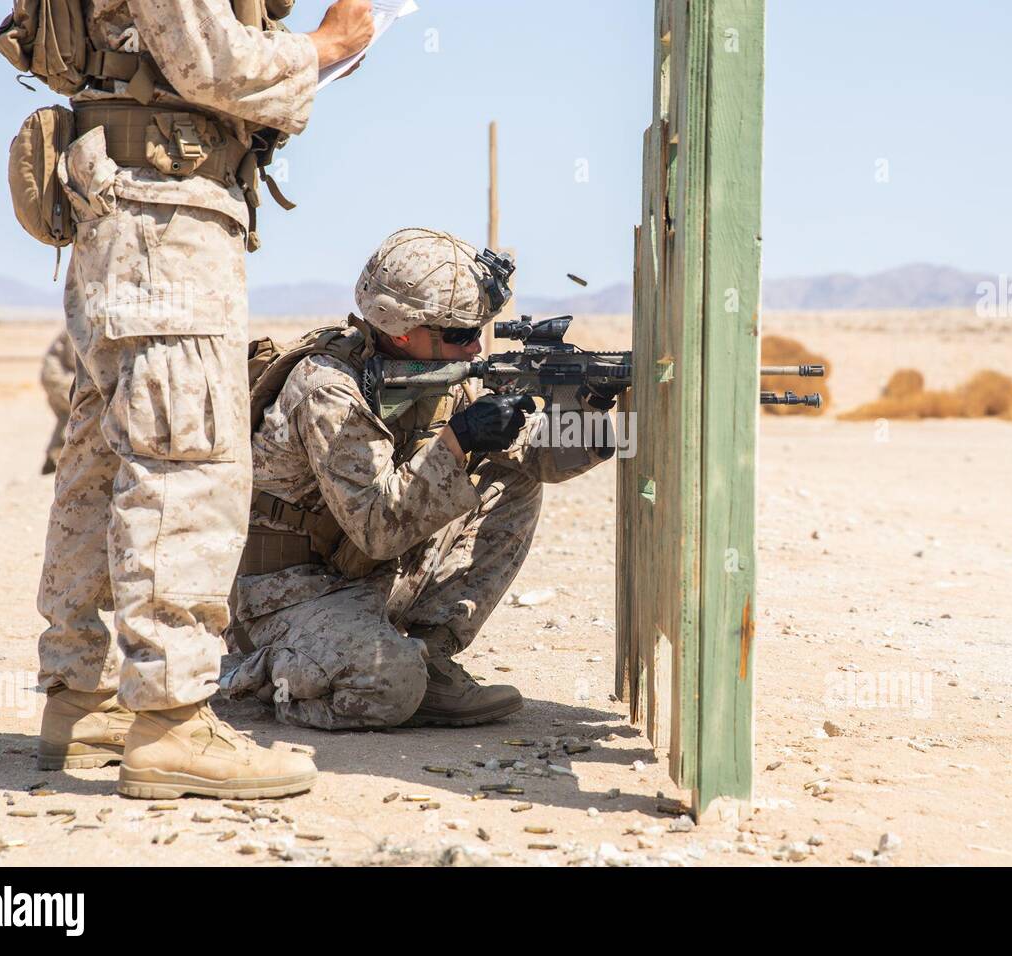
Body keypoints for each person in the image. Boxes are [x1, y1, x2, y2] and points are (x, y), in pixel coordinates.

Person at [35, 0, 377, 801]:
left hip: (124, 207)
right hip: (164, 215)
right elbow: (208, 62)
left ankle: (80, 698)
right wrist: (326, 48)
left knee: (104, 455)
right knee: (188, 461)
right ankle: (171, 721)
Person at [221, 227, 625, 730]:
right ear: (402, 330)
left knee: (512, 479)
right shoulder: (328, 391)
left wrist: (593, 408)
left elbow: (537, 458)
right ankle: (258, 674)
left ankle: (428, 660)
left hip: (366, 577)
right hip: (295, 594)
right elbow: (378, 527)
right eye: (459, 335)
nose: (475, 346)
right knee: (389, 685)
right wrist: (457, 440)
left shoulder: (435, 373)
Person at [39, 330, 76, 475]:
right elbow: (76, 360)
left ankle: (52, 460)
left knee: (66, 416)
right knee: (78, 412)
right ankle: (59, 459)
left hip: (54, 378)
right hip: (58, 379)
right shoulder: (77, 327)